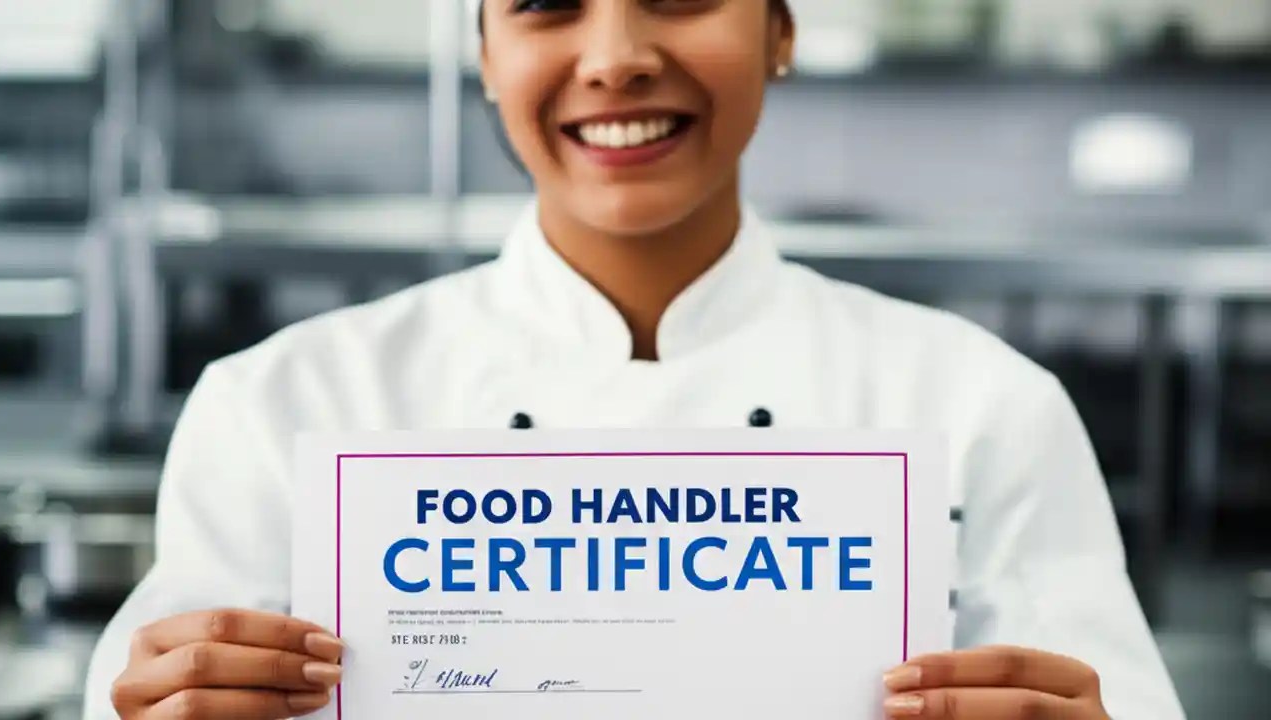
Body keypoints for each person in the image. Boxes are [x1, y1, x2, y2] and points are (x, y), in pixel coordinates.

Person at [85, 1, 1186, 718]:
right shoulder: (281, 405)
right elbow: (142, 692)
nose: (614, 58)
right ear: (482, 53)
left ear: (780, 30)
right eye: (544, 7)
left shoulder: (982, 406)